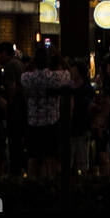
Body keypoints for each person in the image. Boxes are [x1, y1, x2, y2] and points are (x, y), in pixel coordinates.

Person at [20, 47, 71, 179]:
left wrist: (32, 62)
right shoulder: (55, 78)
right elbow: (69, 72)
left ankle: (32, 183)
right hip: (51, 122)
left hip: (33, 123)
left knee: (33, 158)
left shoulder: (28, 78)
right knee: (51, 158)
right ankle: (50, 183)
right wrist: (59, 56)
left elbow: (22, 75)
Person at [69, 60, 94, 175]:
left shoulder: (86, 89)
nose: (71, 72)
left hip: (82, 127)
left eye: (73, 70)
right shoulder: (71, 87)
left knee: (82, 161)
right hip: (71, 128)